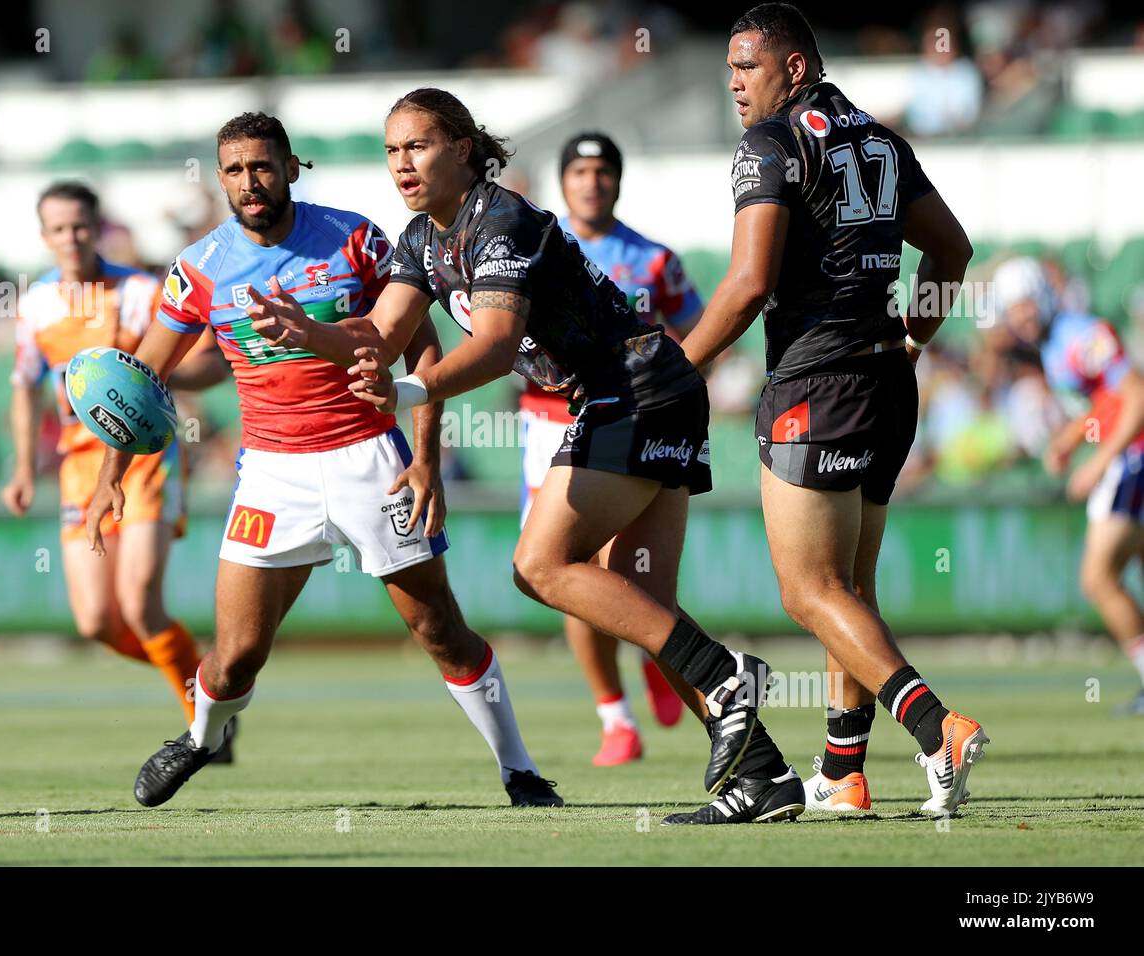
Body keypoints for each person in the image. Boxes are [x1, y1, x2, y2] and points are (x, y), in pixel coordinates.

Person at [247, 87, 805, 825]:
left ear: (463, 150)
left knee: (538, 566)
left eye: (418, 145)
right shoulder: (420, 239)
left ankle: (728, 675)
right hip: (643, 390)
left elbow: (496, 345)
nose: (401, 163)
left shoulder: (501, 218)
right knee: (646, 608)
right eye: (391, 150)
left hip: (633, 388)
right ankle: (765, 776)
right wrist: (306, 331)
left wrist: (412, 393)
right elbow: (377, 334)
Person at [85, 112, 562, 809]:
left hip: (369, 456)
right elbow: (142, 379)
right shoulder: (198, 270)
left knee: (438, 628)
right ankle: (201, 737)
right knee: (238, 653)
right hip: (272, 473)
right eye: (235, 170)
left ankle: (519, 769)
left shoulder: (356, 239)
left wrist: (425, 458)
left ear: (290, 167)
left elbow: (423, 351)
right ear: (219, 179)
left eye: (262, 166)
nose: (250, 182)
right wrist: (108, 479)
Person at [679, 3, 984, 817]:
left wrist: (676, 370)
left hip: (816, 387)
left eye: (748, 67)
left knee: (807, 591)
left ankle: (937, 729)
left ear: (796, 67)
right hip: (888, 382)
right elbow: (951, 250)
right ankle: (844, 771)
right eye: (731, 68)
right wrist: (916, 335)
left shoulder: (774, 143)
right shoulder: (881, 137)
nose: (735, 83)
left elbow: (746, 286)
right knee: (850, 588)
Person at [522, 131, 705, 766]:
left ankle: (659, 646)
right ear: (563, 182)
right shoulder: (534, 250)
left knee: (622, 569)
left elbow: (700, 324)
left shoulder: (655, 260)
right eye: (579, 171)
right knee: (565, 568)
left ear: (619, 181)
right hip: (548, 424)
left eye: (603, 171)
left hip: (630, 412)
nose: (592, 182)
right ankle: (615, 716)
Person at [3, 181, 212, 733]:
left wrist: (147, 374)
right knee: (97, 621)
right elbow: (24, 387)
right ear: (44, 236)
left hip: (145, 462)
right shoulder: (37, 305)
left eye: (80, 225)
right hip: (78, 471)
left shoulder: (143, 292)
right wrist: (25, 468)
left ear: (97, 228)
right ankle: (209, 682)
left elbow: (211, 364)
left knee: (141, 605)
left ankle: (206, 723)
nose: (71, 237)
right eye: (59, 228)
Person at [995, 257, 1144, 716]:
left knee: (1098, 578)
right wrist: (1071, 439)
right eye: (1012, 310)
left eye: (1025, 305)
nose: (1021, 317)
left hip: (1131, 457)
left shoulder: (1082, 334)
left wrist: (1098, 461)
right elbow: (1103, 402)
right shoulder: (1055, 343)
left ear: (1042, 296)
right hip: (1124, 454)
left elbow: (1136, 394)